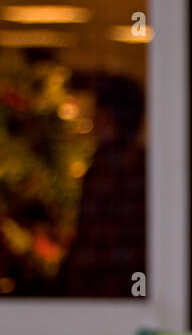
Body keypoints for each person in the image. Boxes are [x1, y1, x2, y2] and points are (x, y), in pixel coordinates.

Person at [60, 75, 147, 297]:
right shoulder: (144, 168)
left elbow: (93, 245)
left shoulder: (108, 171)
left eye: (97, 113)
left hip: (105, 294)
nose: (92, 121)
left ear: (108, 117)